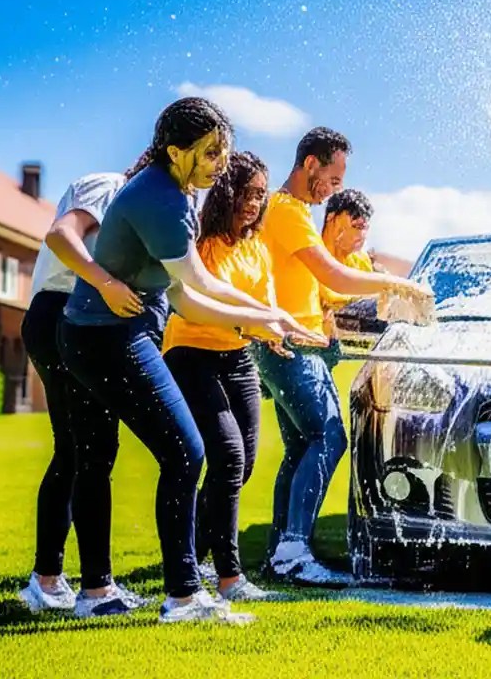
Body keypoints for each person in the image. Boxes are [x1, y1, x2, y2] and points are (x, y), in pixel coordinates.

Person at [59, 97, 324, 622]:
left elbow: (184, 295)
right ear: (176, 151)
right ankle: (183, 595)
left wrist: (269, 314)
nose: (220, 164)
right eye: (210, 153)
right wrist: (261, 319)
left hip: (99, 334)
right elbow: (196, 290)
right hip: (107, 337)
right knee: (186, 452)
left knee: (123, 458)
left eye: (223, 151)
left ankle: (100, 594)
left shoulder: (171, 192)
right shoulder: (161, 197)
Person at [254, 127, 432, 584]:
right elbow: (331, 274)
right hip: (294, 347)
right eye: (332, 180)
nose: (334, 189)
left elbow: (327, 285)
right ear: (311, 164)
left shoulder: (286, 212)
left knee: (299, 449)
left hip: (291, 346)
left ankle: (281, 550)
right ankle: (293, 550)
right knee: (330, 437)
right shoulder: (288, 211)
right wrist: (397, 284)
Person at [18, 155, 151, 614]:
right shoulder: (109, 185)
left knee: (77, 451)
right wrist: (106, 281)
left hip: (78, 317)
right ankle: (94, 590)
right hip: (61, 311)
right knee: (89, 450)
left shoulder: (135, 209)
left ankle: (49, 579)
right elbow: (61, 234)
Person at [161, 151, 287, 603]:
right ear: (226, 191)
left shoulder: (257, 246)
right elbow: (213, 308)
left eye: (260, 194)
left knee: (241, 464)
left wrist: (277, 331)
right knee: (228, 456)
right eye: (246, 192)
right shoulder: (204, 242)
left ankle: (190, 555)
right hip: (192, 352)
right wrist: (262, 323)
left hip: (237, 358)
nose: (253, 203)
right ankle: (230, 577)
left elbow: (264, 303)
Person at [318, 188, 383, 315]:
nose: (362, 235)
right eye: (356, 227)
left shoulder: (360, 260)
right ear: (332, 219)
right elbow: (331, 299)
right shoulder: (311, 254)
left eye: (365, 228)